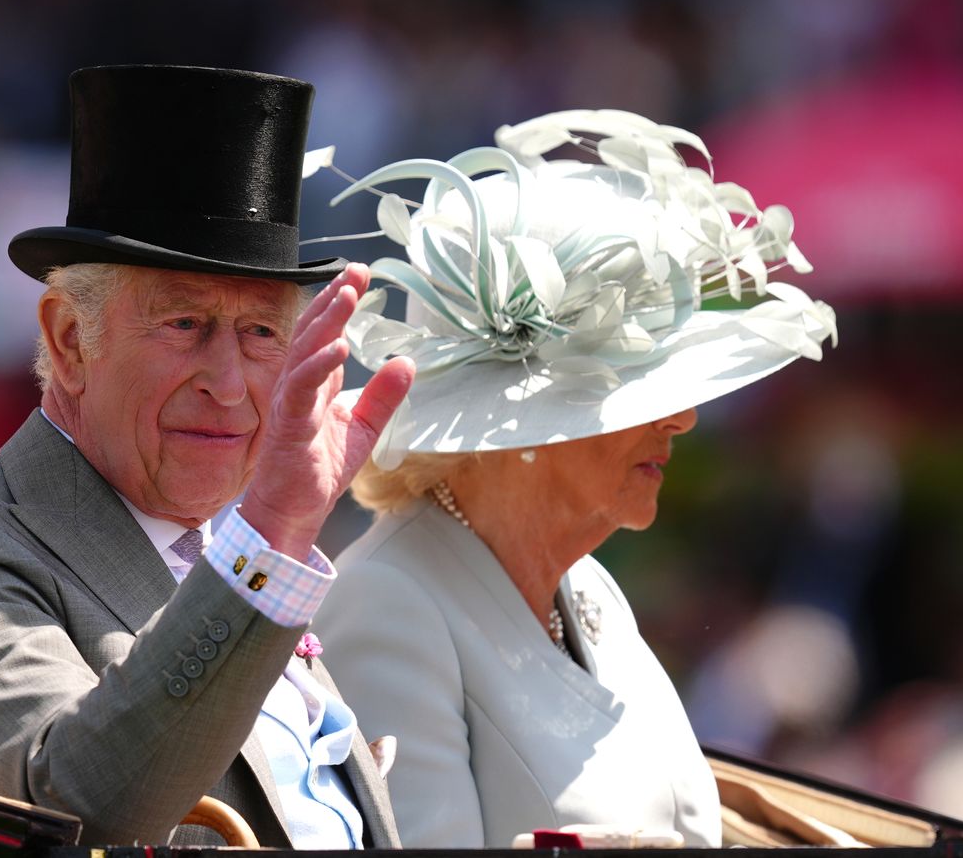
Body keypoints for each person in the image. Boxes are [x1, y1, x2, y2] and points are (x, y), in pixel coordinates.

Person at [0, 65, 414, 848]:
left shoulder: (240, 551)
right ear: (70, 341)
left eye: (261, 333)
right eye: (184, 323)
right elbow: (83, 809)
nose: (228, 384)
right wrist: (272, 535)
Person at [312, 109, 839, 847]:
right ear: (524, 423)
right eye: (637, 389)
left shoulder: (587, 588)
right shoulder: (383, 604)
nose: (682, 418)